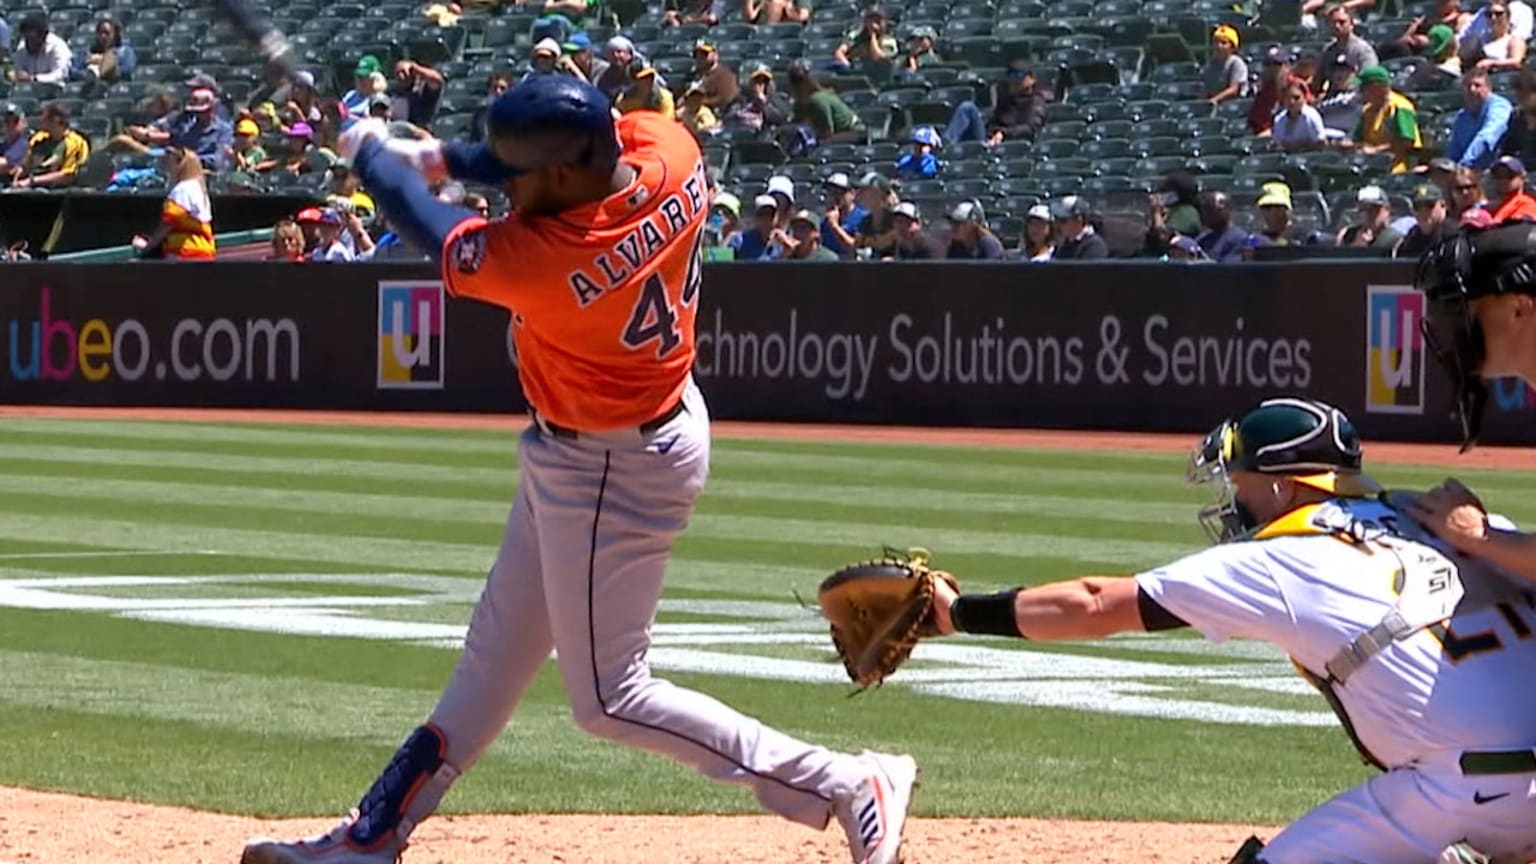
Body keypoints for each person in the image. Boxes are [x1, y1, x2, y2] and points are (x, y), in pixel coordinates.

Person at [243, 73, 917, 864]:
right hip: (622, 434)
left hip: (610, 464)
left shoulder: (551, 258)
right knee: (490, 666)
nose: (509, 188)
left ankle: (844, 782)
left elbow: (435, 229)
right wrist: (435, 153)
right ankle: (372, 837)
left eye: (522, 174)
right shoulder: (671, 150)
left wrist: (374, 156)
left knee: (609, 697)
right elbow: (555, 154)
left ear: (563, 175)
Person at [915, 396, 1536, 864]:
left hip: (1461, 794)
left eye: (1237, 482)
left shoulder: (1279, 558)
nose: (1232, 498)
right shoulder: (1448, 518)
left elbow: (1096, 603)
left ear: (1281, 483)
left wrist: (958, 612)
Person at [131, 147, 214, 260]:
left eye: (171, 158)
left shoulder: (183, 189)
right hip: (201, 253)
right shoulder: (196, 188)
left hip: (186, 254)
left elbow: (169, 223)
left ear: (181, 163)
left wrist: (148, 246)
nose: (166, 161)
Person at [944, 63, 1049, 147]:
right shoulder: (1006, 98)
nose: (1014, 81)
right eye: (1012, 78)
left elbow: (1030, 129)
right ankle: (945, 145)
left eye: (1019, 78)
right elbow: (993, 122)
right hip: (989, 140)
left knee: (968, 108)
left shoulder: (1036, 101)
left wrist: (1003, 133)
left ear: (1031, 79)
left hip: (1009, 145)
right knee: (967, 108)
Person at [1344, 65, 1422, 173]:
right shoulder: (1368, 109)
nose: (1360, 92)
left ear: (1378, 87)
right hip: (1368, 164)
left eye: (1363, 88)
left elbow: (1406, 142)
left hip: (1397, 167)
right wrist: (1352, 146)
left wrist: (1376, 150)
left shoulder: (1400, 106)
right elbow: (1359, 140)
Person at [10, 103, 88, 189]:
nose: (41, 119)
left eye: (45, 117)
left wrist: (32, 181)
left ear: (56, 120)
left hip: (57, 192)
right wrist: (16, 180)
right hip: (30, 187)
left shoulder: (76, 142)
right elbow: (25, 165)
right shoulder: (38, 139)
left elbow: (68, 175)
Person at [1447, 69, 1514, 170]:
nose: (1472, 89)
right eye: (1468, 86)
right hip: (1469, 172)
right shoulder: (1462, 116)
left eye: (1477, 85)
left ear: (1489, 88)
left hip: (1497, 173)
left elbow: (1486, 138)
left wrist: (1463, 166)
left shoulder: (1499, 107)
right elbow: (1454, 150)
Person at [786, 61, 864, 145]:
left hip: (853, 132)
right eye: (794, 80)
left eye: (799, 80)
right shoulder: (798, 104)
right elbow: (795, 125)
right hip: (835, 135)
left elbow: (827, 132)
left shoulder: (818, 99)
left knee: (817, 143)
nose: (797, 85)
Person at [1315, 4, 1379, 92]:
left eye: (1342, 22)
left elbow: (1370, 80)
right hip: (1333, 99)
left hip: (1356, 97)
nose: (1337, 26)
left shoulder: (1363, 50)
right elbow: (1317, 82)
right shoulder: (1328, 51)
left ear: (1352, 24)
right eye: (1333, 22)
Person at [1249, 47, 1311, 136]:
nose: (1272, 68)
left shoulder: (1297, 85)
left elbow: (1308, 114)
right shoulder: (1264, 92)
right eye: (1268, 64)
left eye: (1276, 64)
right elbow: (1256, 120)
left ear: (1286, 65)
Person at [1381, 0, 1470, 60]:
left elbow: (1456, 42)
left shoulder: (1462, 18)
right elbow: (1404, 39)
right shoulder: (1427, 18)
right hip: (1414, 51)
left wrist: (1428, 41)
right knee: (1391, 47)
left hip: (1438, 53)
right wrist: (1412, 31)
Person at [723, 65, 792, 136]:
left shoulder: (775, 100)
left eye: (765, 81)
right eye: (757, 81)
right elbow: (727, 118)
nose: (761, 85)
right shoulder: (739, 100)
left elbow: (783, 118)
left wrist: (764, 105)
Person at [1462, 0, 1529, 71]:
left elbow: (1517, 62)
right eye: (1489, 15)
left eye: (1498, 14)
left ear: (1508, 17)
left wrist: (1493, 63)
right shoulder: (1481, 40)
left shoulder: (1513, 40)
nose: (1493, 18)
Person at [72, 16, 135, 89]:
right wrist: (89, 74)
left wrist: (103, 63)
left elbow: (127, 69)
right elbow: (74, 71)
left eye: (107, 33)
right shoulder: (87, 53)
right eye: (100, 33)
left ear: (115, 35)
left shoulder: (125, 52)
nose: (103, 36)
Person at [11, 13, 72, 85]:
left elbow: (60, 75)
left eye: (32, 39)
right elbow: (18, 69)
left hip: (55, 91)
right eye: (26, 39)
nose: (29, 43)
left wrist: (33, 78)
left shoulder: (58, 47)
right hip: (27, 91)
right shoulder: (22, 46)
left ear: (43, 36)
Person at [1393, 183, 1450, 257]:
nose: (1423, 212)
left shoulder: (1453, 236)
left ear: (1443, 205)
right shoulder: (1410, 238)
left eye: (1429, 205)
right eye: (1417, 206)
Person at [833, 7, 898, 71]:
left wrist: (872, 35)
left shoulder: (889, 40)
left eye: (877, 21)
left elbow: (878, 57)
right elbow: (840, 52)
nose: (873, 25)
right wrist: (847, 65)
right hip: (854, 70)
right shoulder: (855, 35)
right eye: (870, 21)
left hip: (876, 73)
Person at [1337, 184, 1402, 248]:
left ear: (1387, 209)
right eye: (1362, 209)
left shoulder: (1395, 238)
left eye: (1374, 209)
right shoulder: (1347, 235)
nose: (1367, 215)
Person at [1271, 80, 1327, 150]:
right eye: (1288, 98)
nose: (1292, 102)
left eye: (1296, 98)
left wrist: (1297, 145)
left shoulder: (1311, 116)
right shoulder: (1279, 119)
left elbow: (1321, 143)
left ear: (1304, 98)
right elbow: (1277, 143)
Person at [388, 60, 445, 130]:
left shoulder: (424, 89)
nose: (400, 76)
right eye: (397, 73)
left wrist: (416, 68)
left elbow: (437, 80)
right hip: (398, 132)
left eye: (404, 72)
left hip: (421, 131)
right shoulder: (393, 92)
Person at [1194, 191, 1248, 262]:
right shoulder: (1202, 239)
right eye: (1204, 209)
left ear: (1228, 209)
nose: (1207, 214)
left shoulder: (1239, 239)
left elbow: (1228, 269)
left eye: (1212, 208)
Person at [854, 172, 898, 258]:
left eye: (865, 190)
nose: (860, 194)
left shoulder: (897, 220)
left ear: (879, 193)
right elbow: (858, 248)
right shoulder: (865, 222)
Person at [1051, 196, 1108, 260]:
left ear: (1078, 221)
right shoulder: (1063, 245)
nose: (1058, 225)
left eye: (1063, 220)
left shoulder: (1094, 246)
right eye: (1056, 219)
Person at [1249, 182, 1304, 247]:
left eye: (1278, 207)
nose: (1273, 212)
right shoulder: (1254, 239)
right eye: (1267, 207)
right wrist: (1282, 239)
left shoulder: (1302, 239)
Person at [819, 172, 860, 258]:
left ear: (852, 194)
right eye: (831, 192)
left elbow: (856, 248)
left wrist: (835, 226)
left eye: (839, 192)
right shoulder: (825, 220)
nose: (834, 197)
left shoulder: (861, 218)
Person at [689, 41, 738, 113]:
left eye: (704, 54)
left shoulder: (725, 75)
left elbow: (724, 99)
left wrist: (699, 102)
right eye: (696, 55)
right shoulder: (692, 75)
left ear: (715, 55)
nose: (700, 58)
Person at [1204, 25, 1249, 105]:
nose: (1218, 46)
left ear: (1233, 47)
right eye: (1215, 42)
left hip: (1233, 106)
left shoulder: (1236, 63)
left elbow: (1234, 89)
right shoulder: (1211, 65)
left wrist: (1215, 99)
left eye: (1223, 43)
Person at [1484, 155, 1536, 221]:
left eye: (1509, 175)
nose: (1503, 180)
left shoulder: (1526, 203)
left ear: (1523, 177)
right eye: (1498, 175)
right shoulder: (1490, 207)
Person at [470, 73, 513, 143]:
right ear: (489, 90)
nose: (498, 91)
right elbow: (474, 139)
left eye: (503, 88)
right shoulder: (480, 113)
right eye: (495, 87)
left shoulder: (515, 113)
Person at [734, 194, 780, 260]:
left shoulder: (781, 244)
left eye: (770, 214)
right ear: (754, 216)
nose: (766, 219)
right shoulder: (739, 240)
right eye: (761, 214)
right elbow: (722, 264)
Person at [0, 104, 28, 178]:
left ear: (24, 123)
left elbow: (5, 164)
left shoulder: (24, 145)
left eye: (15, 121)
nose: (11, 125)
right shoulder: (2, 145)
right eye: (7, 121)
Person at [743, 0, 809, 24]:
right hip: (761, 29)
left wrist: (787, 8)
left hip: (786, 30)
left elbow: (803, 16)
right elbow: (749, 17)